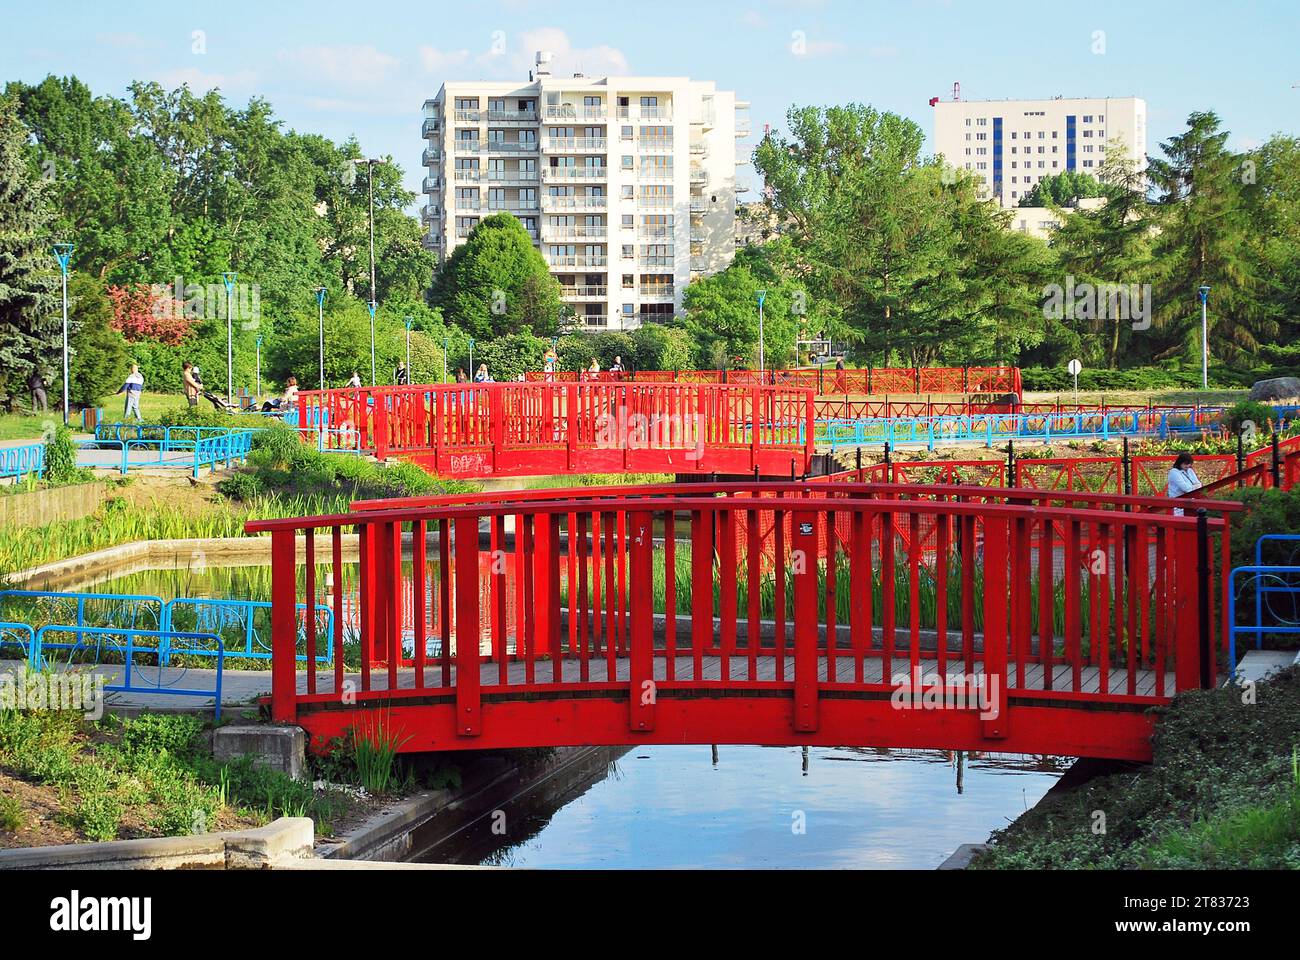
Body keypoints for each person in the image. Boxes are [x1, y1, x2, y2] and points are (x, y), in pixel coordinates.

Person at [1167, 452, 1202, 517]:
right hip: (1178, 505)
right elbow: (1186, 489)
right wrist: (1195, 486)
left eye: (1189, 464)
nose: (1188, 465)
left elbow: (1199, 485)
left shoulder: (1190, 470)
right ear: (1180, 462)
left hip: (1191, 503)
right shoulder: (1174, 472)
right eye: (1186, 463)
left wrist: (1193, 487)